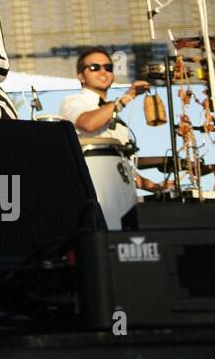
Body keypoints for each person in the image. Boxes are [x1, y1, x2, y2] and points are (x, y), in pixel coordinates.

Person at [59, 48, 170, 228]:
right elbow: (87, 123)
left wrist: (156, 186)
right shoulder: (73, 101)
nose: (103, 71)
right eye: (94, 67)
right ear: (81, 76)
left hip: (123, 201)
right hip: (93, 197)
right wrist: (127, 97)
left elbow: (122, 168)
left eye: (108, 67)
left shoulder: (116, 119)